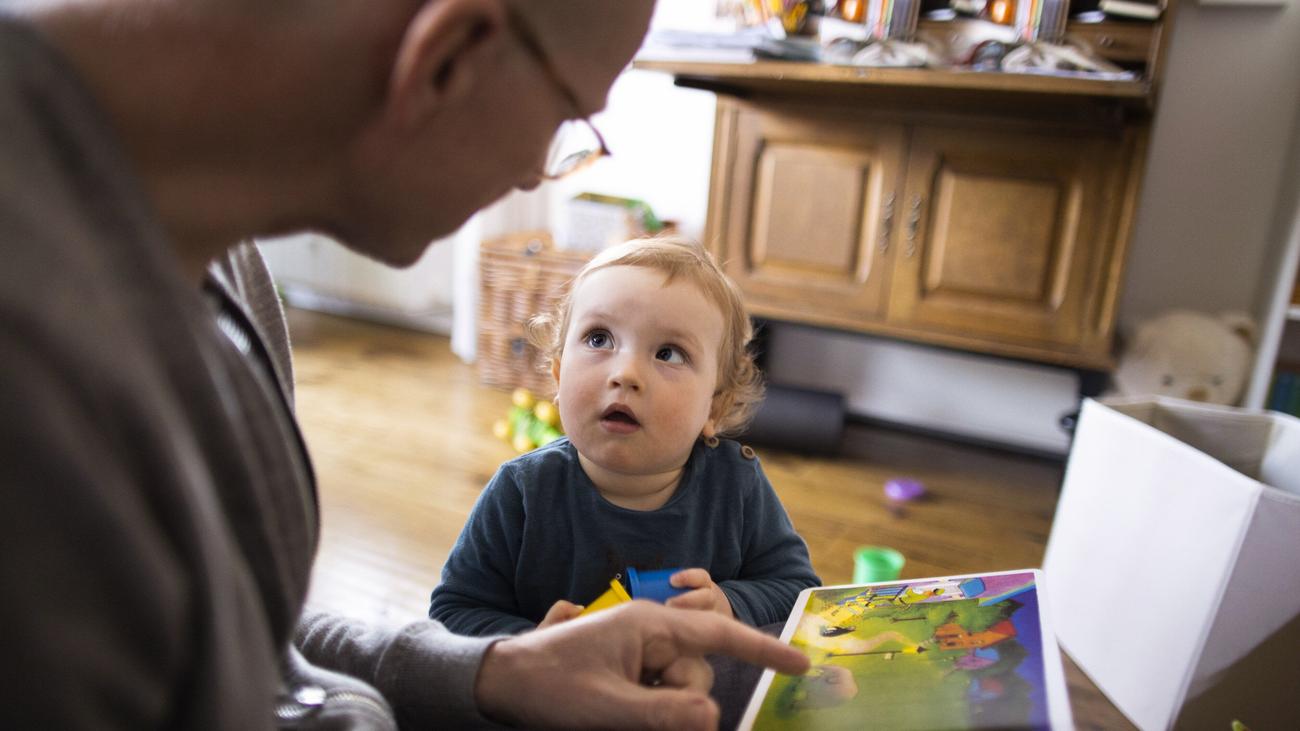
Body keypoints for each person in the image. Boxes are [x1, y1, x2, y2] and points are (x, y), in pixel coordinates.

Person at [0, 1, 810, 729]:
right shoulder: (38, 374)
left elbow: (257, 639)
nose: (534, 171)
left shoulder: (228, 267)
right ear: (450, 56)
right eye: (567, 118)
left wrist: (495, 671)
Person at [430, 237, 821, 636]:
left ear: (713, 408)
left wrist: (728, 604)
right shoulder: (522, 491)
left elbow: (799, 591)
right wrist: (531, 644)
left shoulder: (736, 487)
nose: (626, 374)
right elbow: (454, 610)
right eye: (599, 339)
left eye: (668, 353)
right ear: (559, 377)